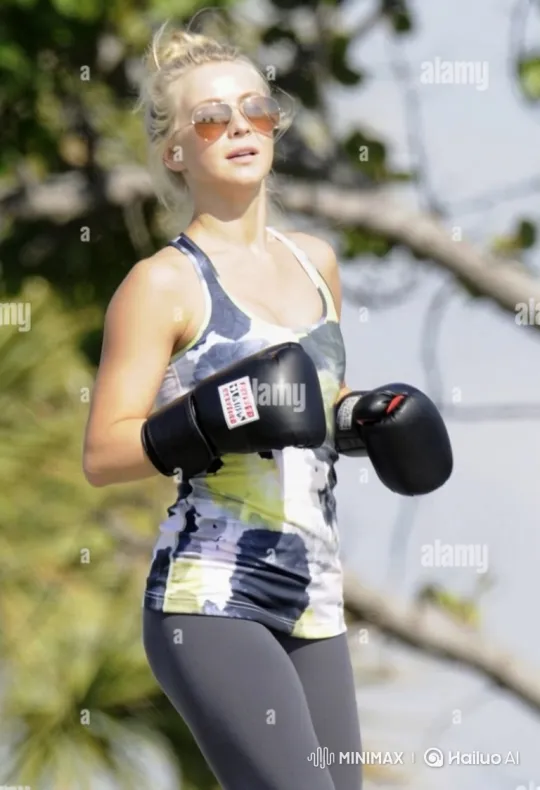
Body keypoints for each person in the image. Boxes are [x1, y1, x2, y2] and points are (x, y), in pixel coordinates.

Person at [82, 19, 453, 790]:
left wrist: (364, 416)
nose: (240, 127)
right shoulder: (162, 284)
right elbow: (105, 453)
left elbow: (309, 400)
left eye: (256, 108)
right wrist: (212, 417)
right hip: (211, 595)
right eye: (212, 117)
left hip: (314, 592)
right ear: (176, 151)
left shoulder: (314, 260)